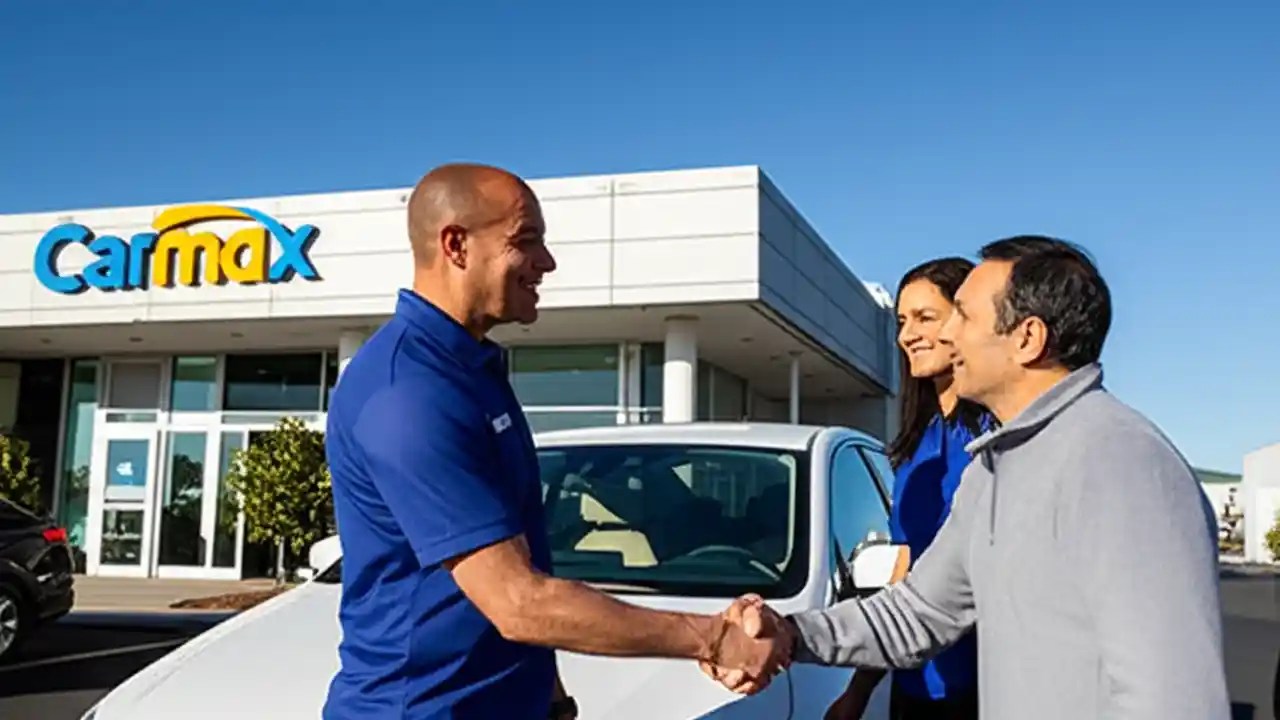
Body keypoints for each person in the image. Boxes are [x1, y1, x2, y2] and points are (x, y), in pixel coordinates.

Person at [321, 162, 788, 720]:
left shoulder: (470, 373)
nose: (547, 262)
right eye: (526, 241)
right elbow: (518, 603)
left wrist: (550, 697)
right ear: (456, 245)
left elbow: (522, 564)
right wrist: (713, 639)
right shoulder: (406, 393)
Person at [709, 236, 1232, 720]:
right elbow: (920, 611)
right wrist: (788, 633)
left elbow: (1175, 698)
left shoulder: (1122, 463)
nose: (945, 333)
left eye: (960, 313)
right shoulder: (995, 466)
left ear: (1028, 338)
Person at [825, 257, 990, 720]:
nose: (906, 335)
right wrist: (858, 691)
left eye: (924, 318)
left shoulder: (996, 442)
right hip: (915, 687)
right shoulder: (918, 448)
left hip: (989, 689)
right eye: (901, 321)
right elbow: (901, 577)